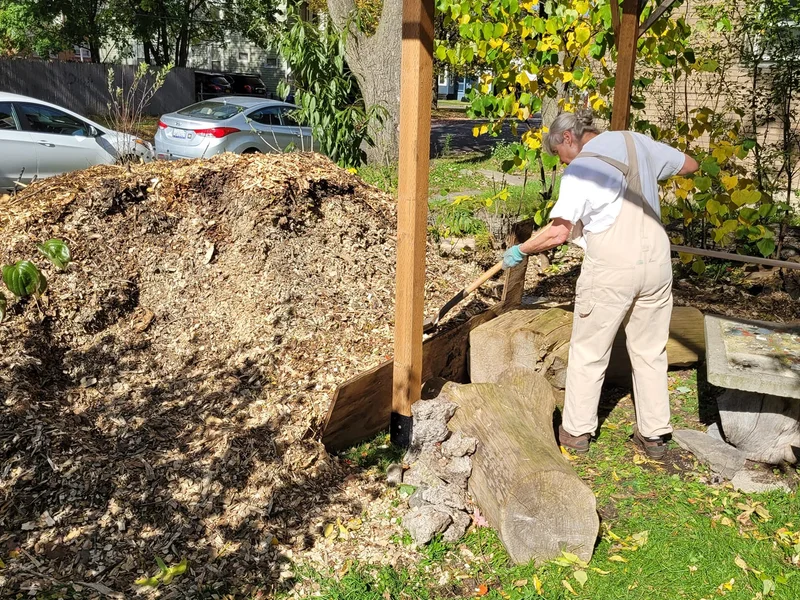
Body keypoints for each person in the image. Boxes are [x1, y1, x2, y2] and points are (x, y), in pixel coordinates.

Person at [502, 110, 699, 459]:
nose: (563, 164)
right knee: (650, 349)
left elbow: (559, 232)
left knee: (590, 350)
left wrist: (521, 249)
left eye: (560, 156)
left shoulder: (582, 169)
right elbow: (689, 165)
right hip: (656, 260)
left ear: (568, 138)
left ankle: (577, 432)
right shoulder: (637, 141)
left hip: (612, 266)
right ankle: (654, 434)